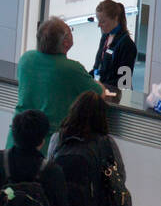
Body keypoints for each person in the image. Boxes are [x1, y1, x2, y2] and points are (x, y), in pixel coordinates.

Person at [8, 16, 102, 152]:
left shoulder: (26, 59)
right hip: (47, 146)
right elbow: (99, 93)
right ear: (65, 43)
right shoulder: (71, 69)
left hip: (16, 140)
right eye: (71, 31)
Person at [91, 0, 137, 95]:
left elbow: (124, 82)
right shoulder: (105, 37)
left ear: (115, 19)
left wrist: (103, 87)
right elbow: (98, 67)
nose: (99, 25)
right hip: (101, 90)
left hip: (115, 95)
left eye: (103, 21)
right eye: (98, 20)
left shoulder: (127, 45)